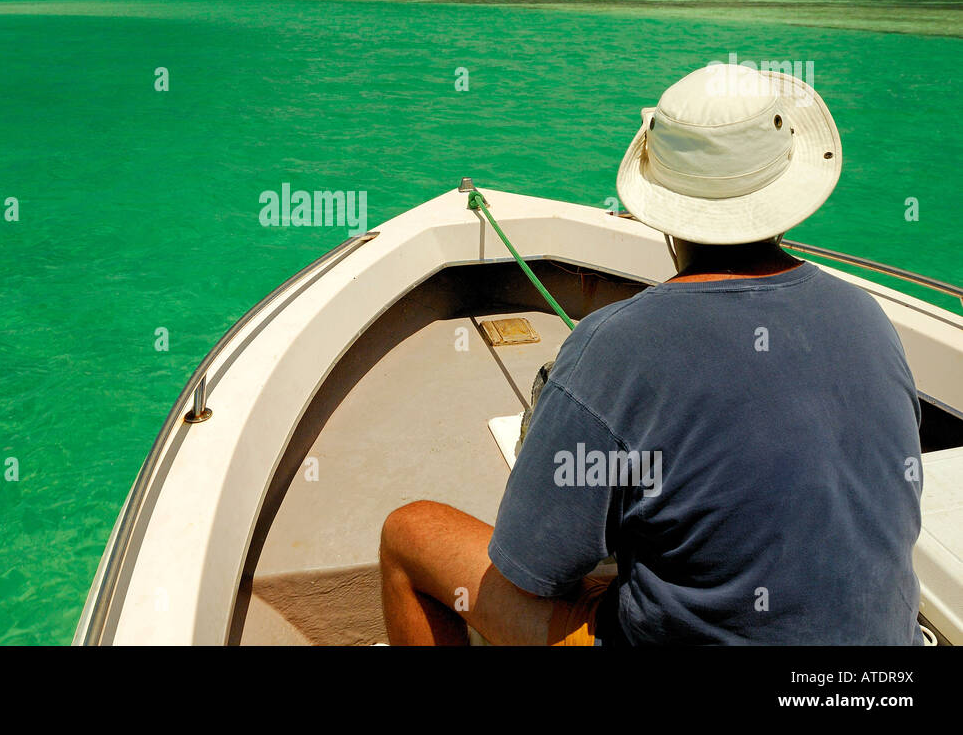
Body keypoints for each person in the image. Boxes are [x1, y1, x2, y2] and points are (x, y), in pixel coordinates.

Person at [379, 63, 924, 645]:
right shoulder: (867, 317)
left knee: (409, 535)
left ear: (659, 207)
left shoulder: (614, 345)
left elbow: (535, 569)